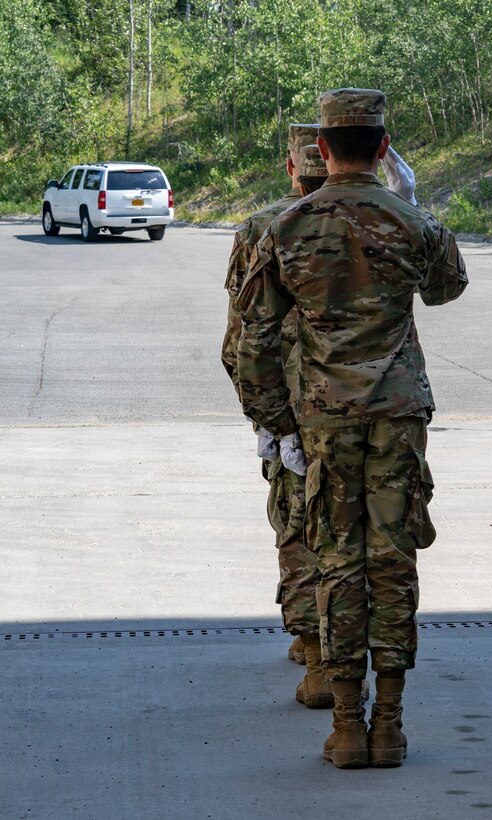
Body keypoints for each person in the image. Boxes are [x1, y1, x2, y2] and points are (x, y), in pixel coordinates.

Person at [236, 88, 468, 770]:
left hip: (324, 420)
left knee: (337, 560)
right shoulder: (408, 222)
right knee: (392, 562)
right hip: (396, 415)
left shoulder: (287, 227)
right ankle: (390, 724)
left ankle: (345, 723)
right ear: (385, 148)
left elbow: (253, 340)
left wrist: (273, 422)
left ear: (324, 150)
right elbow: (447, 286)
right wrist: (414, 204)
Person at [221, 122, 326, 696]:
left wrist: (262, 417)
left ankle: (317, 660)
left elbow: (239, 341)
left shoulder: (264, 228)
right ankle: (347, 654)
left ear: (292, 169)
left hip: (288, 405)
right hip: (368, 405)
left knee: (298, 526)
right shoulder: (379, 216)